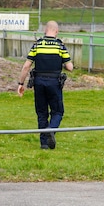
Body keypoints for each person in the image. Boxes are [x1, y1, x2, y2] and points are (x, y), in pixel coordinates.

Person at [16, 21, 73, 149]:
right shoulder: (60, 46)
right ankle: (51, 129)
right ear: (56, 31)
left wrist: (21, 83)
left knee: (41, 112)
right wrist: (62, 63)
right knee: (57, 111)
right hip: (54, 82)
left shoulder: (37, 45)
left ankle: (44, 144)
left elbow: (26, 66)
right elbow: (70, 67)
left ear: (45, 30)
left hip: (39, 82)